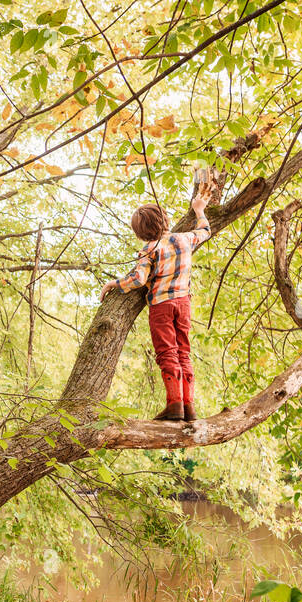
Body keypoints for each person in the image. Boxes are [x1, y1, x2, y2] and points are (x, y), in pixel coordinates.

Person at [101, 174, 213, 421]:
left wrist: (115, 283)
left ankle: (175, 405)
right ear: (165, 219)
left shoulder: (149, 249)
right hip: (183, 303)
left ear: (141, 233)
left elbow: (139, 279)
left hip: (162, 306)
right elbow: (205, 230)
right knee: (184, 351)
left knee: (167, 353)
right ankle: (189, 406)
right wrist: (199, 209)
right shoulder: (184, 240)